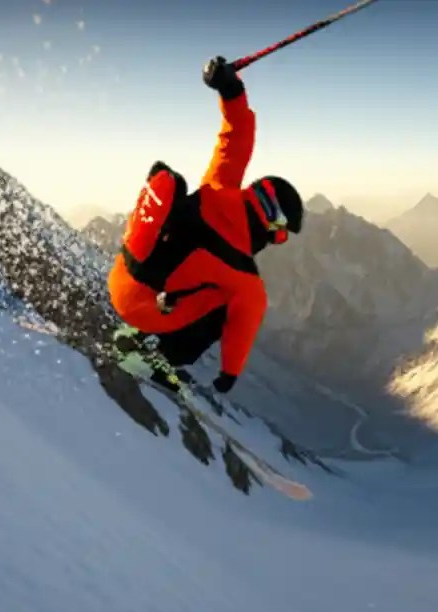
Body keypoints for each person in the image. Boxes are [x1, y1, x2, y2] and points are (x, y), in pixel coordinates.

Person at [107, 56, 303, 394]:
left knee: (188, 274)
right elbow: (243, 326)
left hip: (121, 276)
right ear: (273, 223)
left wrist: (231, 88)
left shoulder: (218, 184)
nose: (277, 241)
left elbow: (236, 136)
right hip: (147, 310)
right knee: (225, 304)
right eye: (281, 235)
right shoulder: (246, 280)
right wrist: (228, 375)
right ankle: (157, 359)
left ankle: (135, 337)